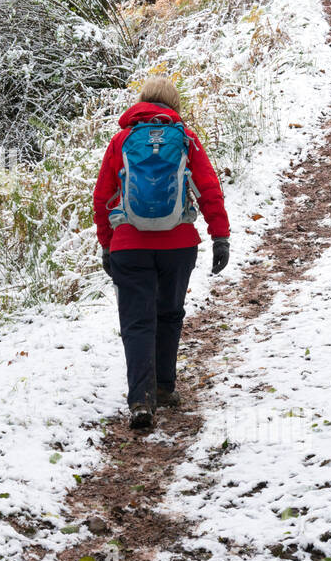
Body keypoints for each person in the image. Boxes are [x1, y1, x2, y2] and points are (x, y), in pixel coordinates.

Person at [92, 76, 231, 429]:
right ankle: (165, 386)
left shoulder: (121, 140)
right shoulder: (185, 139)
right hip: (178, 244)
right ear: (174, 105)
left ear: (141, 103)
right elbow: (208, 188)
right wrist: (220, 236)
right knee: (169, 314)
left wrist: (107, 242)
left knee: (137, 322)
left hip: (129, 245)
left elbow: (102, 196)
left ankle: (141, 400)